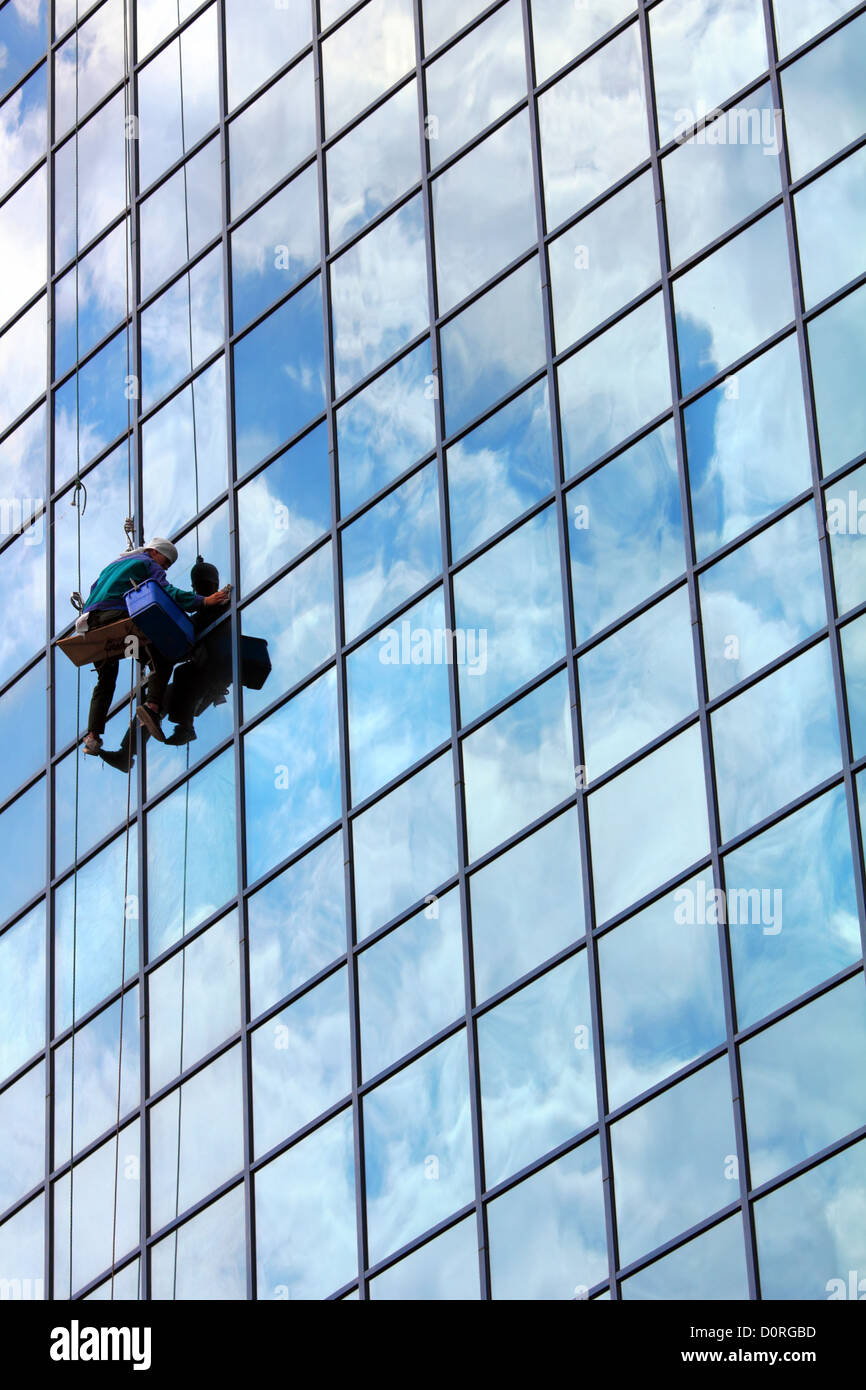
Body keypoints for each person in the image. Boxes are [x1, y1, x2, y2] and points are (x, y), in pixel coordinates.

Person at [80, 538, 229, 756]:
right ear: (154, 552)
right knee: (165, 651)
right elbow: (167, 591)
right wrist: (203, 602)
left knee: (105, 680)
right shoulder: (147, 564)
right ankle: (152, 707)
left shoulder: (112, 566)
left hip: (91, 624)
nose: (165, 568)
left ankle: (92, 738)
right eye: (166, 562)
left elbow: (94, 590)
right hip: (115, 615)